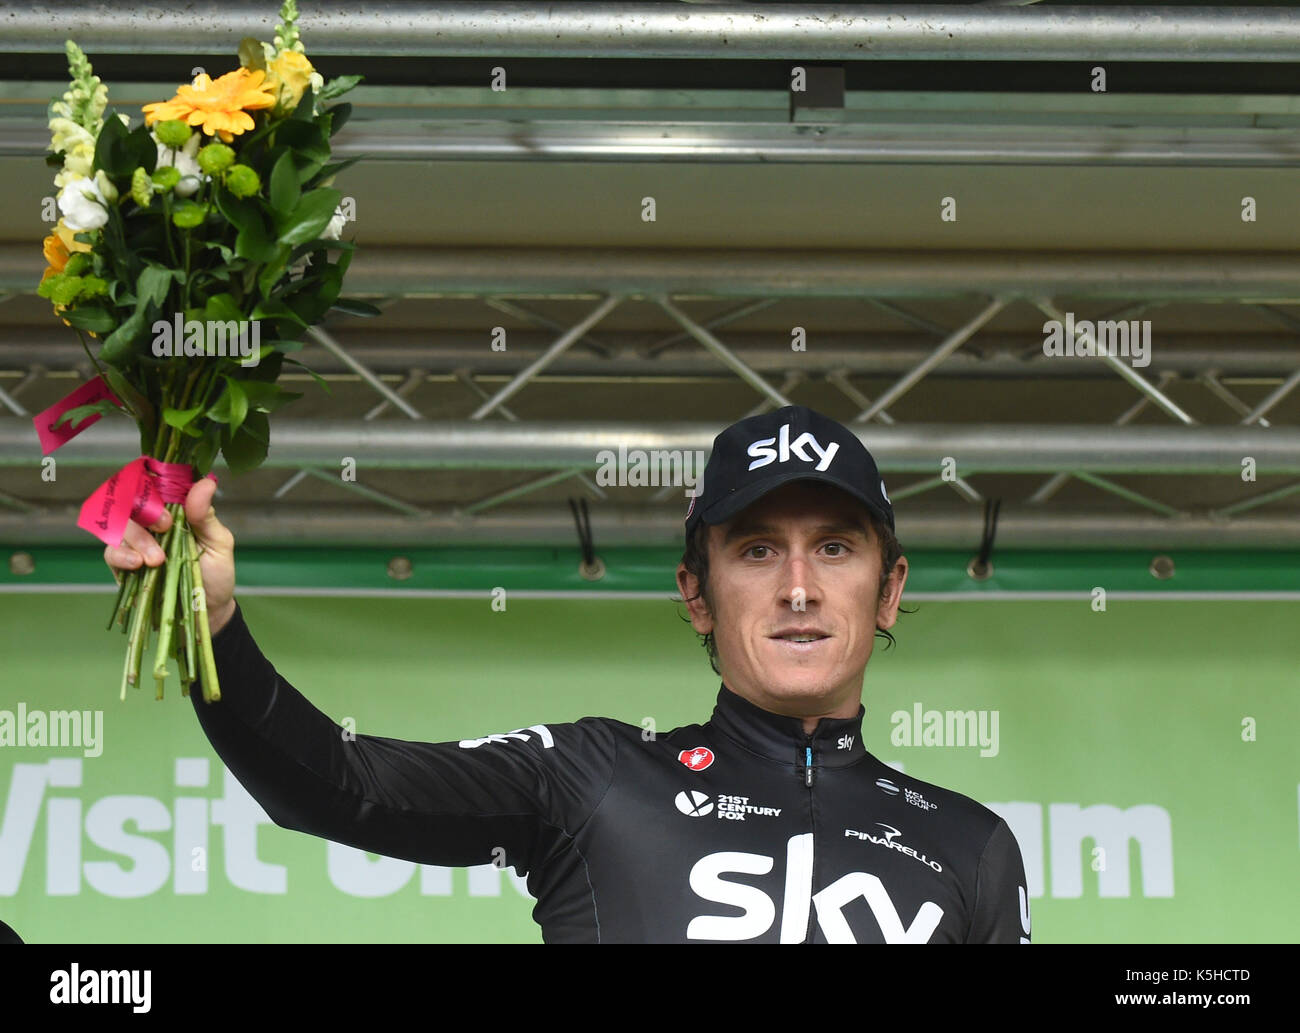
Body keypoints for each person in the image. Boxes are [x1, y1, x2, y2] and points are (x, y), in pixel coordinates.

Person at [104, 404, 1030, 943]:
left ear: (889, 589)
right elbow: (340, 786)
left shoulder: (970, 845)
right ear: (697, 593)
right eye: (755, 550)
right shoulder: (594, 777)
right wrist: (214, 624)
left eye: (834, 547)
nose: (797, 587)